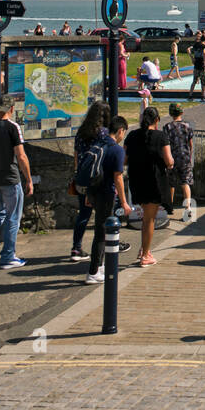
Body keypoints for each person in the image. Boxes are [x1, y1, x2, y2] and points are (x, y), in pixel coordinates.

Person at [0, 98, 33, 270]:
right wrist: (29, 179)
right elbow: (21, 156)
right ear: (11, 108)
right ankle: (8, 255)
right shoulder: (12, 127)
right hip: (10, 178)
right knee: (12, 217)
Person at [123, 108, 173, 268]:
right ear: (157, 120)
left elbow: (124, 160)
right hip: (154, 181)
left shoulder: (132, 135)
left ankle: (144, 249)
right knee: (149, 219)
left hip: (137, 180)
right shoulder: (161, 136)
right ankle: (145, 255)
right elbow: (169, 161)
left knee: (146, 217)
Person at [85, 115, 132, 284]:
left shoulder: (98, 144)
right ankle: (93, 271)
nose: (123, 136)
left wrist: (88, 195)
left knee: (101, 231)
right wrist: (125, 202)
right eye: (123, 133)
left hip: (95, 191)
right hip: (106, 194)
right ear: (120, 131)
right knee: (101, 233)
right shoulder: (117, 150)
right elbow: (118, 177)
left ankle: (100, 265)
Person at [69, 102, 110, 262]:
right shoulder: (103, 133)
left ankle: (76, 247)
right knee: (104, 215)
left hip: (81, 179)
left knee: (83, 215)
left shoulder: (81, 132)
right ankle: (107, 244)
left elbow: (76, 155)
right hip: (98, 180)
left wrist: (77, 174)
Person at [163, 103, 195, 220]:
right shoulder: (188, 126)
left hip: (172, 157)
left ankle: (169, 207)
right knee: (185, 183)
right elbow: (190, 144)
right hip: (185, 158)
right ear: (182, 113)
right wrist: (189, 156)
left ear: (171, 113)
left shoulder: (167, 127)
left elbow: (165, 144)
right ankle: (188, 208)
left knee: (171, 183)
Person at [188, 34, 205, 102]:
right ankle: (203, 96)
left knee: (194, 81)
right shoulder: (204, 46)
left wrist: (192, 58)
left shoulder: (196, 45)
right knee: (203, 82)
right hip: (202, 65)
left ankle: (190, 96)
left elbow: (188, 49)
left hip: (196, 65)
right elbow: (204, 52)